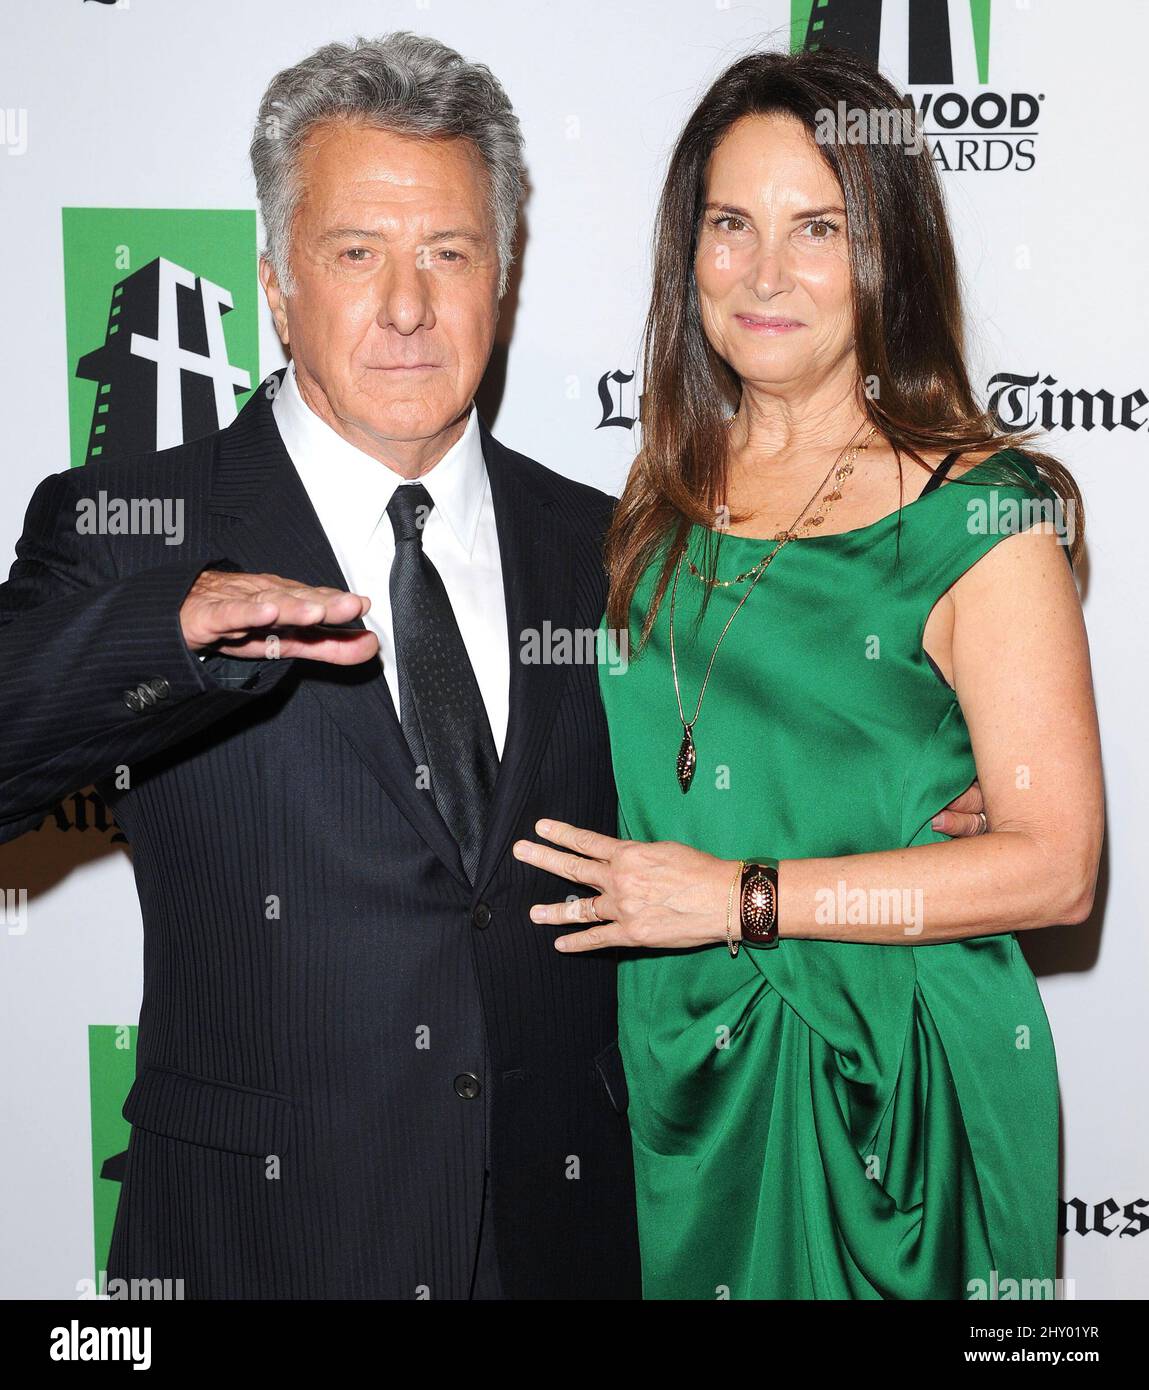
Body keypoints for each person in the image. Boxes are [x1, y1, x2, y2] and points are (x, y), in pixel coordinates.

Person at [0, 32, 644, 1300]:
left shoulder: (611, 544)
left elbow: (719, 781)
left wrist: (889, 798)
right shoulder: (136, 526)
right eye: (358, 254)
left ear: (501, 282)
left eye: (448, 254)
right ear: (279, 283)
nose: (408, 306)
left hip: (562, 1246)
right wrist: (167, 630)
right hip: (259, 1250)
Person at [512, 47, 1104, 1299]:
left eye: (816, 227)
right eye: (730, 224)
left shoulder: (977, 514)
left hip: (890, 1086)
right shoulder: (657, 499)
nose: (765, 273)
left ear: (884, 250)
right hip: (681, 1066)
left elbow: (1057, 865)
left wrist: (747, 896)